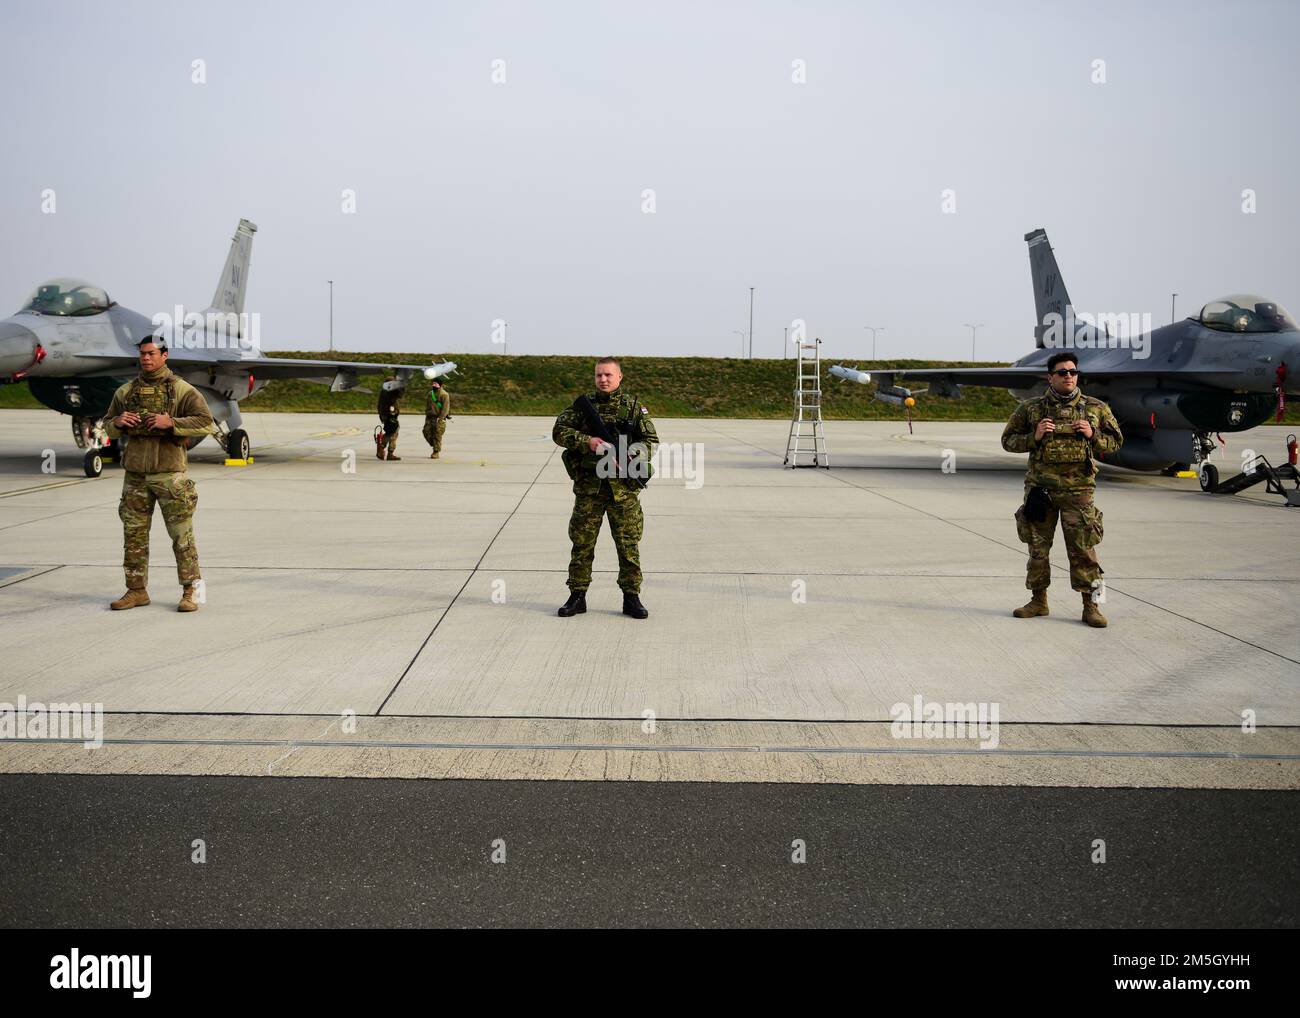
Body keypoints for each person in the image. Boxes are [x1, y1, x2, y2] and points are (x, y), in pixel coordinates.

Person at [1001, 352, 1123, 627]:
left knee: (1084, 551)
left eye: (1073, 371)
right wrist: (1035, 437)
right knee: (1037, 550)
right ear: (1050, 377)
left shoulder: (1096, 408)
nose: (1069, 375)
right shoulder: (1032, 409)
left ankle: (1091, 606)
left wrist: (1093, 435)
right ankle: (1038, 601)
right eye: (1062, 372)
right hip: (1041, 491)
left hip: (1079, 492)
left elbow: (1116, 442)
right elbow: (1007, 441)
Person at [103, 336, 215, 612]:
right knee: (134, 536)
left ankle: (191, 592)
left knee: (182, 537)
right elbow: (107, 424)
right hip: (136, 476)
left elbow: (206, 422)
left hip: (169, 475)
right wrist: (117, 422)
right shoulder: (126, 392)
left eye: (152, 353)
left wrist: (172, 422)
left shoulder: (182, 390)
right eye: (142, 354)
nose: (146, 358)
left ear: (165, 355)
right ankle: (136, 590)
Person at [551, 357, 657, 619]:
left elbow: (651, 441)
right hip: (589, 490)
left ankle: (631, 598)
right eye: (599, 375)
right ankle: (577, 596)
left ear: (619, 377)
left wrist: (632, 455)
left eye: (609, 375)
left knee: (628, 546)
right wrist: (588, 442)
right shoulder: (583, 407)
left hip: (623, 492)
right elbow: (558, 431)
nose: (603, 379)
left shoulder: (633, 407)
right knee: (582, 544)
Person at [423, 380, 450, 459]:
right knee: (426, 432)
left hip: (438, 418)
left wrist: (441, 418)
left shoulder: (444, 394)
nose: (433, 385)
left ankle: (436, 451)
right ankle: (434, 444)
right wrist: (427, 412)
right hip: (429, 417)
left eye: (435, 383)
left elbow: (445, 408)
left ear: (440, 385)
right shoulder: (430, 393)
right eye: (433, 383)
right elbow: (428, 404)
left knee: (437, 434)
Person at [377, 379, 402, 460]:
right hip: (390, 416)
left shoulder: (384, 392)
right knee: (393, 433)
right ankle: (389, 453)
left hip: (386, 416)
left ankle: (381, 449)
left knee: (389, 432)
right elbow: (399, 395)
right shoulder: (389, 393)